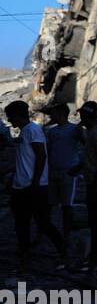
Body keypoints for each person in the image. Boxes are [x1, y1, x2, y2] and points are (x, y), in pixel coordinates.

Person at [5, 100, 66, 265]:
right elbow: (27, 158)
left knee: (43, 222)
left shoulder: (33, 130)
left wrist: (36, 182)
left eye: (10, 117)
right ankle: (24, 252)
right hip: (21, 185)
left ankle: (62, 249)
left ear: (18, 116)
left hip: (33, 186)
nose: (10, 121)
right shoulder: (25, 131)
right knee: (21, 222)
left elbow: (41, 156)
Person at [71, 101, 97, 269]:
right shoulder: (89, 132)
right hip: (96, 182)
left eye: (84, 116)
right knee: (94, 220)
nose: (81, 118)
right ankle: (96, 255)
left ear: (91, 117)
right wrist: (78, 167)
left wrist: (96, 186)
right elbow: (91, 156)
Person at [43, 103, 80, 242]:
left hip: (68, 171)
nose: (52, 116)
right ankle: (48, 232)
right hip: (53, 171)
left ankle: (67, 235)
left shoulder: (74, 130)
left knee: (67, 205)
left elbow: (85, 145)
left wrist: (79, 166)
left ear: (62, 114)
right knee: (50, 204)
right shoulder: (52, 131)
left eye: (55, 113)